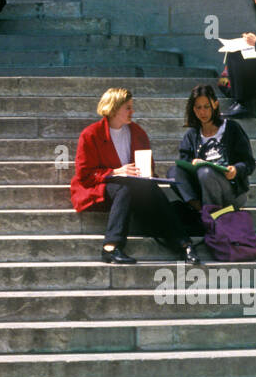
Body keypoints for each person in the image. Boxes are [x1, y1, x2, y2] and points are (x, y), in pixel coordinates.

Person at [70, 87, 201, 266]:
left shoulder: (137, 132)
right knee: (125, 188)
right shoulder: (91, 134)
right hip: (101, 186)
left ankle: (184, 244)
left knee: (149, 189)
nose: (132, 111)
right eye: (128, 108)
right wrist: (116, 172)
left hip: (133, 187)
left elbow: (149, 165)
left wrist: (147, 174)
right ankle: (110, 246)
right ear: (114, 108)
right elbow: (85, 174)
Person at [171, 84, 256, 212]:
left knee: (205, 172)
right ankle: (202, 211)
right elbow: (184, 164)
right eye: (198, 107)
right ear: (193, 109)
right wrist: (192, 163)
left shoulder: (231, 128)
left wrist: (236, 170)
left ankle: (212, 215)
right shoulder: (192, 135)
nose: (202, 112)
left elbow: (249, 163)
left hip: (231, 191)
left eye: (206, 106)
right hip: (203, 191)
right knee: (174, 172)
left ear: (215, 104)